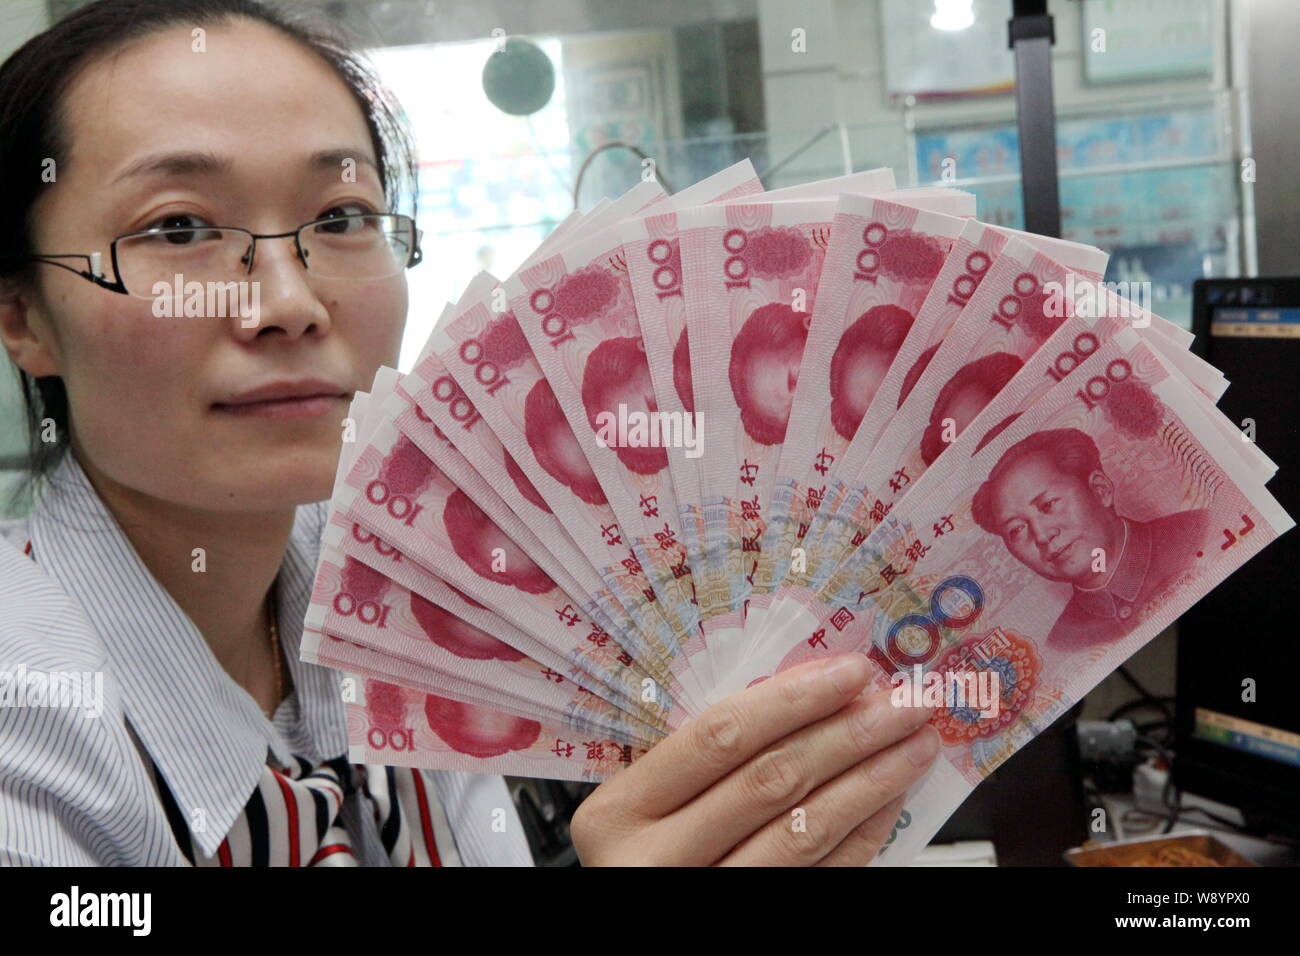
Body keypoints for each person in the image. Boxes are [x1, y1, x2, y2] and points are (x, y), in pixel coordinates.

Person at [0, 0, 939, 867]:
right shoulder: (25, 724)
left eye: (340, 216)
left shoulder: (406, 593)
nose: (287, 303)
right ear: (22, 316)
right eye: (177, 230)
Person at [971, 428, 1211, 650]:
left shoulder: (1203, 533)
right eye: (1016, 530)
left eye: (1048, 505)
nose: (1042, 536)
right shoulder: (1064, 641)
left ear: (1100, 489)